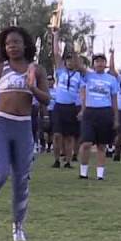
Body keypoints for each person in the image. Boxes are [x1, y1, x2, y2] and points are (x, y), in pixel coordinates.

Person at [0, 27, 50, 241]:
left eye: (16, 42)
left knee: (21, 179)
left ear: (25, 45)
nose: (12, 46)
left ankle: (18, 227)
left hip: (23, 127)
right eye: (8, 43)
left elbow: (46, 100)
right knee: (0, 172)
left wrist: (32, 88)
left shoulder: (37, 70)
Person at [75, 52, 119, 180]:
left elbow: (114, 99)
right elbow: (78, 65)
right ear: (93, 64)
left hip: (105, 112)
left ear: (105, 64)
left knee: (101, 145)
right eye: (97, 61)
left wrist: (116, 117)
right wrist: (76, 52)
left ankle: (100, 175)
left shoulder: (111, 79)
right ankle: (83, 172)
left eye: (102, 61)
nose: (100, 63)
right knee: (86, 143)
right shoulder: (88, 75)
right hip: (90, 112)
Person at [48, 41, 82, 169]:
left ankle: (68, 161)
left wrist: (76, 52)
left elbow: (83, 94)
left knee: (69, 136)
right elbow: (56, 54)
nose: (69, 62)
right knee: (57, 135)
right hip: (59, 106)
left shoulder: (79, 75)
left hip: (71, 107)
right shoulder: (61, 72)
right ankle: (56, 160)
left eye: (72, 60)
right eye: (67, 60)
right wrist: (55, 35)